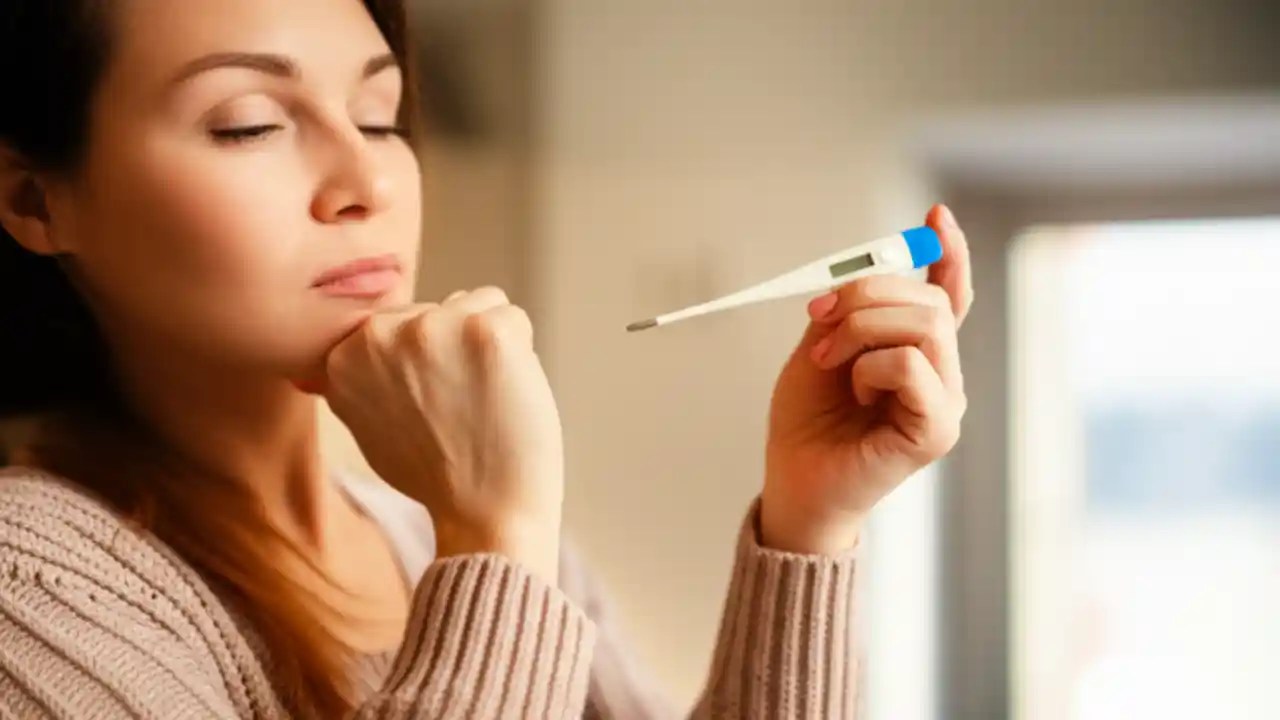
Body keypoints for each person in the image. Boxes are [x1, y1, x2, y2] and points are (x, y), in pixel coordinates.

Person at [0, 0, 973, 717]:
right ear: (37, 201)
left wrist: (808, 522)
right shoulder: (28, 590)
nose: (365, 178)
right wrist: (496, 539)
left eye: (379, 117)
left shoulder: (438, 535)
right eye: (247, 123)